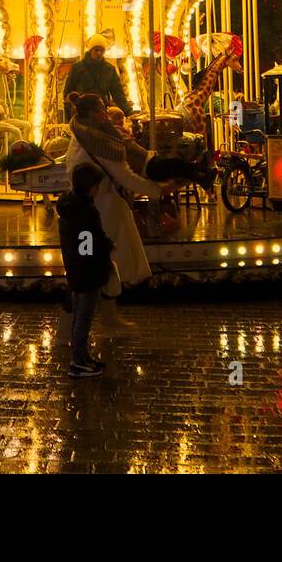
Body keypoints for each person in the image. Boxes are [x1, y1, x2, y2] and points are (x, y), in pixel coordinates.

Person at [65, 93, 174, 325]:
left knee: (97, 262)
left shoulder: (80, 136)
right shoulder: (102, 144)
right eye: (100, 109)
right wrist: (158, 190)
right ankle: (96, 319)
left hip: (90, 210)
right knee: (105, 261)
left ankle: (103, 315)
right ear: (91, 114)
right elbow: (124, 176)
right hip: (103, 209)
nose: (105, 113)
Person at [56, 163, 114, 378]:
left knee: (80, 315)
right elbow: (87, 244)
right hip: (87, 273)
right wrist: (106, 246)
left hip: (77, 270)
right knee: (84, 317)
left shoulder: (71, 207)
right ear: (91, 186)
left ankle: (81, 357)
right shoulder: (83, 212)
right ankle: (78, 361)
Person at [63, 34, 132, 120]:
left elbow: (118, 94)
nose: (99, 53)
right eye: (96, 50)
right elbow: (68, 93)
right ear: (91, 50)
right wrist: (70, 115)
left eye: (102, 50)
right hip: (82, 113)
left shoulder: (109, 70)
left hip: (101, 112)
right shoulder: (77, 68)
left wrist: (129, 111)